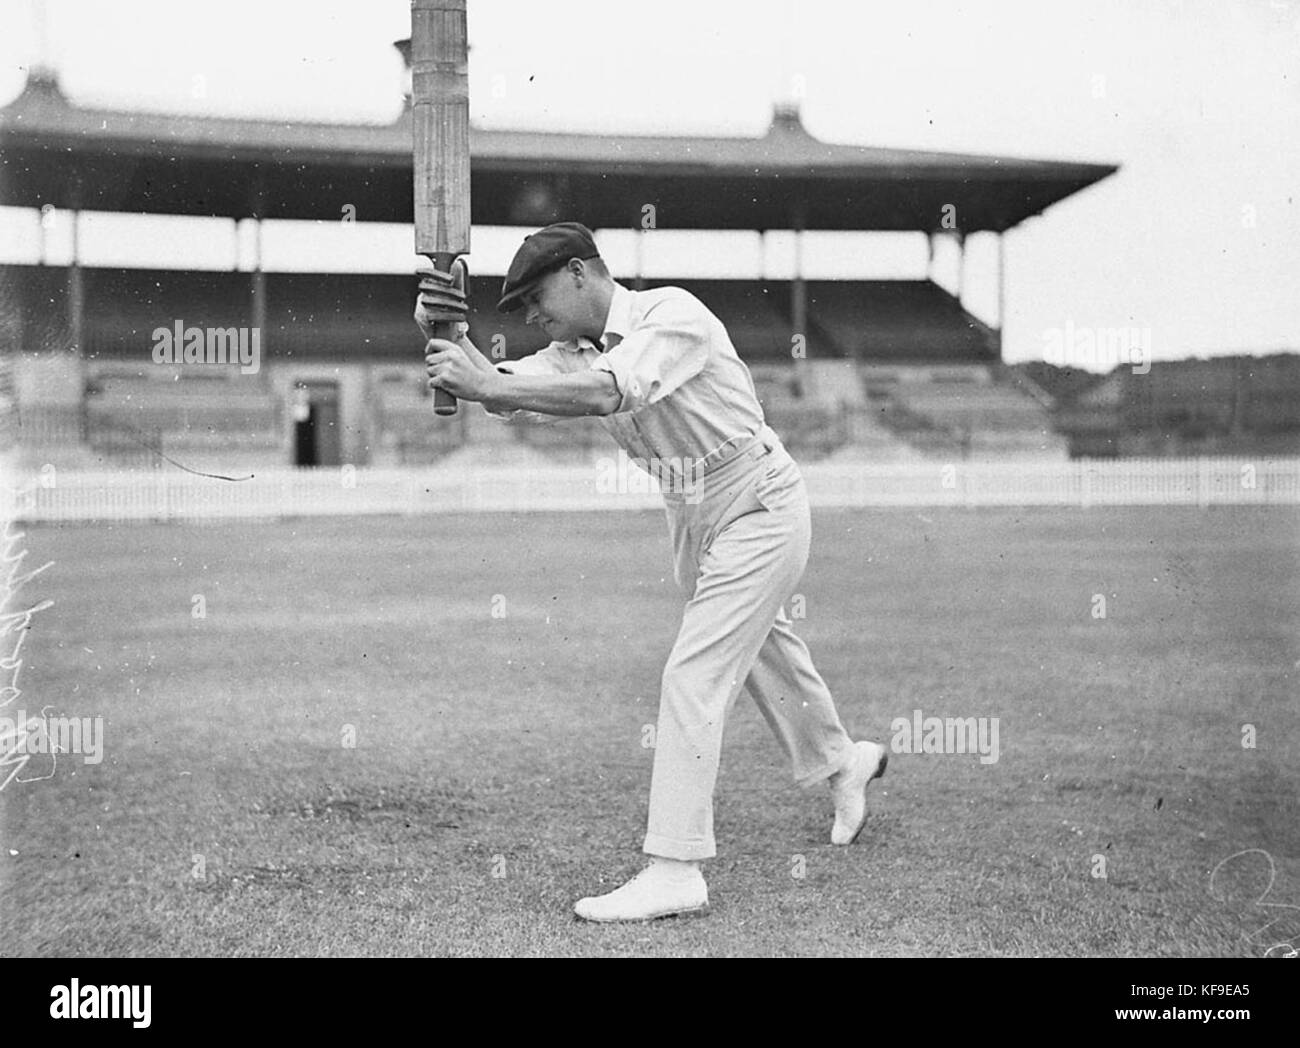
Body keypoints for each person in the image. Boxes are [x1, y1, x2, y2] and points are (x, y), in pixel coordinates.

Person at [416, 222, 887, 923]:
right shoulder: (570, 352)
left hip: (759, 500)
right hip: (694, 517)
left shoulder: (673, 315)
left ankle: (676, 868)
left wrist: (482, 379)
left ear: (580, 273)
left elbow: (611, 392)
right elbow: (500, 386)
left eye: (536, 297)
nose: (528, 315)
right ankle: (842, 760)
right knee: (766, 651)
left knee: (693, 676)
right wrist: (442, 336)